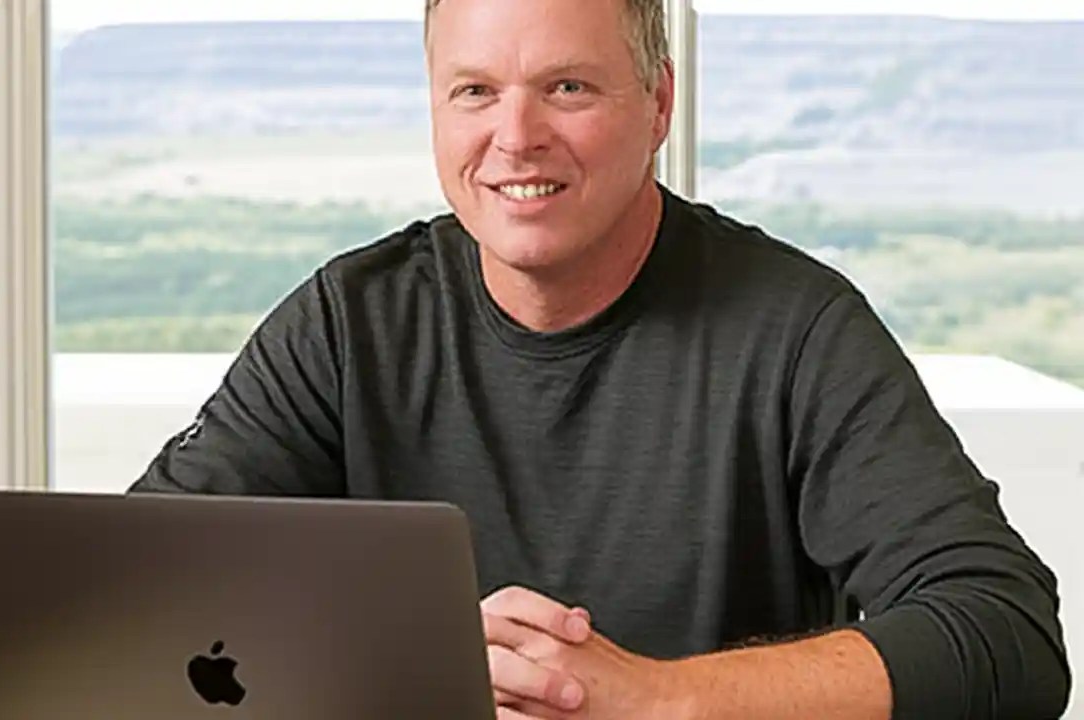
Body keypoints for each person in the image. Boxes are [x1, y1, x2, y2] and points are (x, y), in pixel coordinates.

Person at [129, 0, 1073, 716]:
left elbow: (1005, 632)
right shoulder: (349, 321)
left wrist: (655, 698)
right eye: (475, 91)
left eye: (567, 87)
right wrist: (416, 654)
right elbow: (125, 588)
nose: (516, 137)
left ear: (658, 103)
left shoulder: (796, 328)